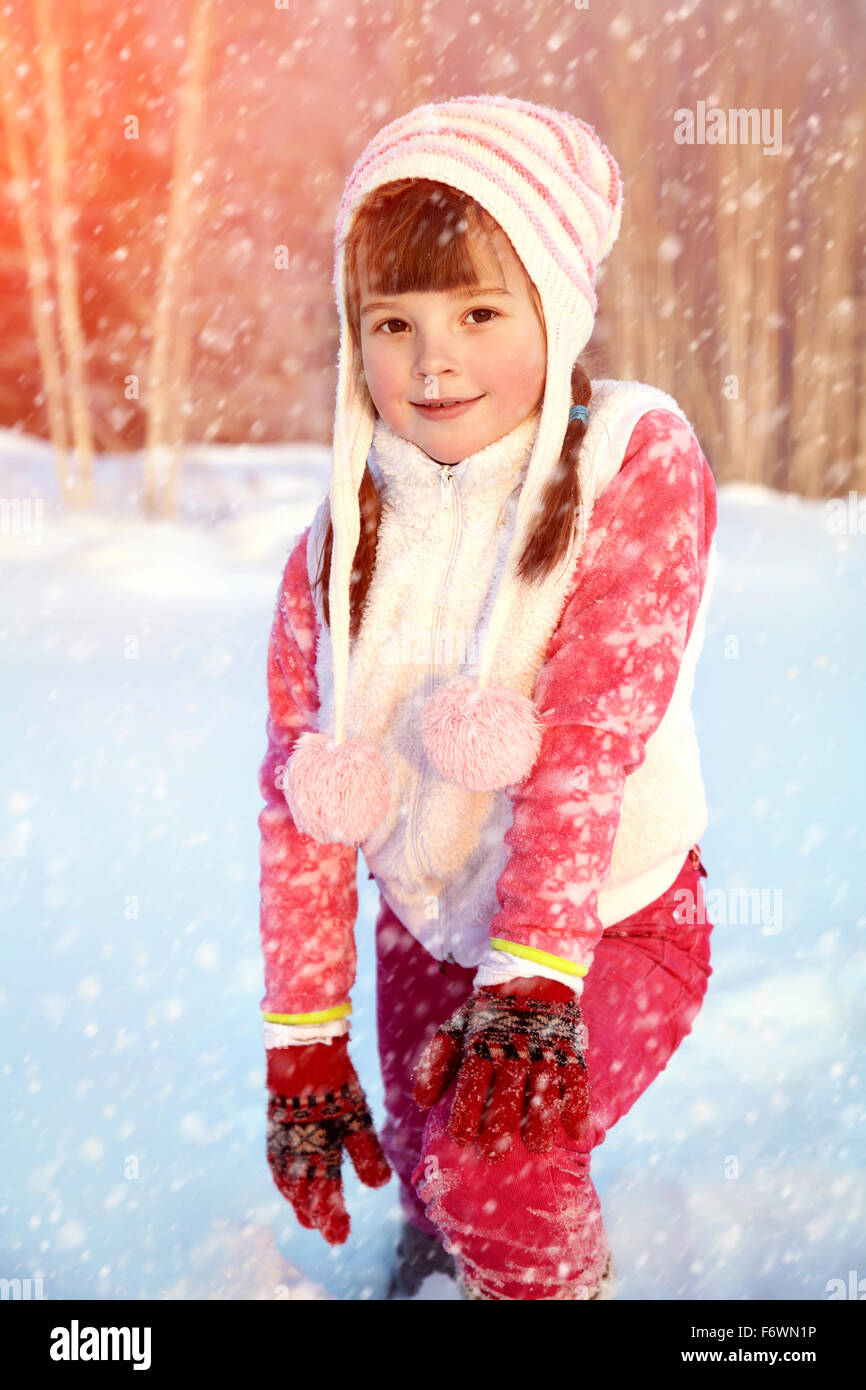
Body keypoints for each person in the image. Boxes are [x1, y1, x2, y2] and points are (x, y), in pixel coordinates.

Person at [259, 94, 718, 1301]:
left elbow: (588, 735)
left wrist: (530, 978)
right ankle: (444, 1266)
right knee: (429, 1173)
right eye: (391, 322)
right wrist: (302, 1039)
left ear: (555, 315)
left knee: (492, 1170)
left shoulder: (631, 462)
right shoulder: (332, 552)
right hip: (430, 920)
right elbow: (301, 809)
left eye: (476, 311)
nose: (432, 356)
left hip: (612, 918)